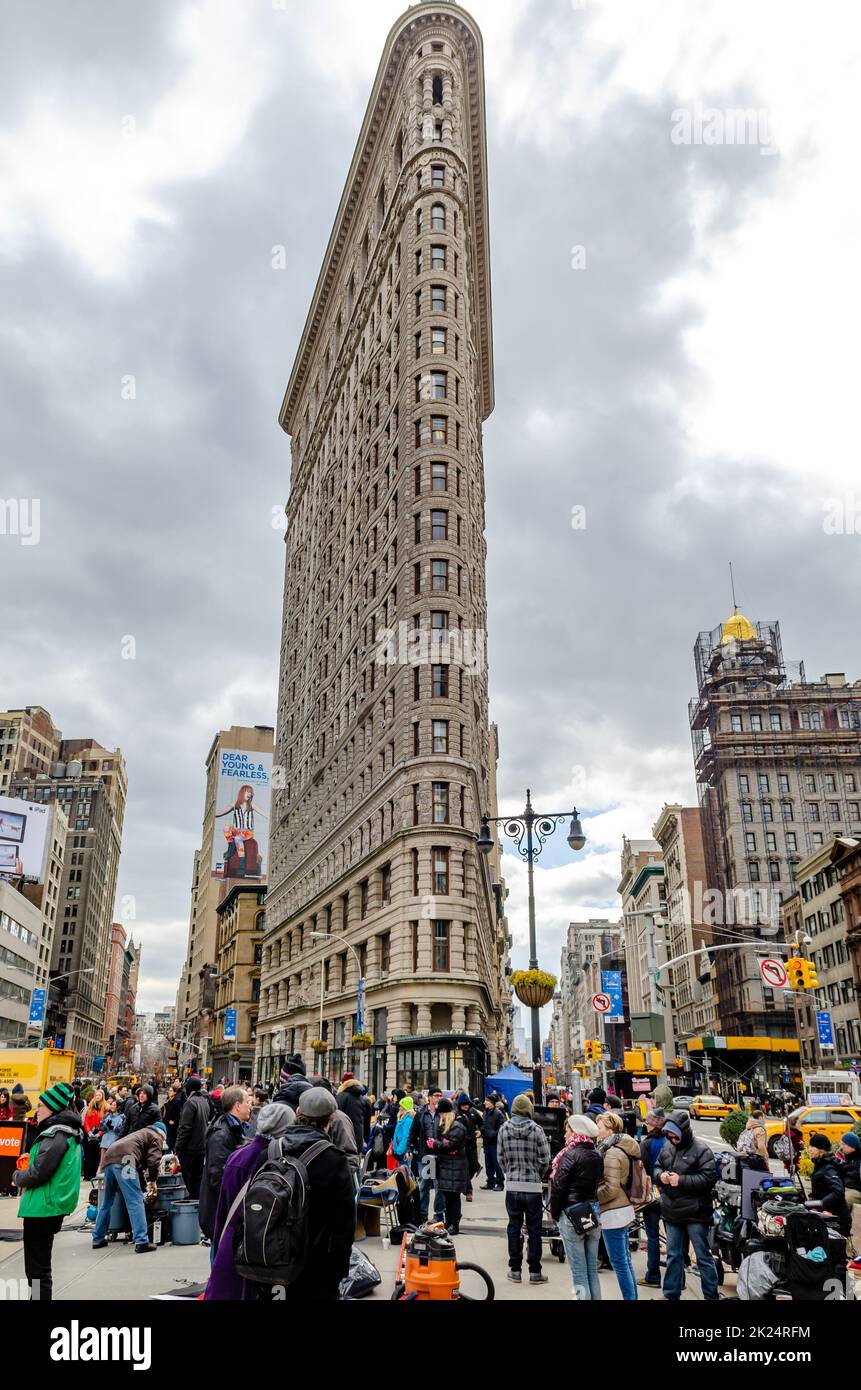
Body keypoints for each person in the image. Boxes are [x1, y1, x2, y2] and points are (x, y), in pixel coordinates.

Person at [269, 1087, 355, 1300]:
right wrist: (339, 1270)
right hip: (317, 1264)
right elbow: (345, 1223)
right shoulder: (334, 1160)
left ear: (298, 1113)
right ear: (329, 1122)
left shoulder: (271, 1151)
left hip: (271, 1258)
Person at [205, 1101, 296, 1300]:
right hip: (264, 1251)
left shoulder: (237, 1157)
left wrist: (220, 1243)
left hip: (233, 1246)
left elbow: (224, 1208)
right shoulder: (282, 1163)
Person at [12, 1082, 84, 1299]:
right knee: (38, 1268)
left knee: (37, 1270)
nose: (37, 1109)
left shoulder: (56, 1134)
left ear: (53, 1108)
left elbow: (39, 1172)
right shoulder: (67, 1132)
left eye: (41, 1105)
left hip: (43, 1208)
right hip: (47, 1206)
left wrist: (17, 1176)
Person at [656, 1110, 719, 1302]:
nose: (673, 1140)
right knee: (673, 1255)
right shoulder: (667, 1147)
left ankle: (711, 1296)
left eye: (675, 1136)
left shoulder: (701, 1150)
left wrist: (681, 1180)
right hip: (672, 1210)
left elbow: (709, 1178)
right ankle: (670, 1295)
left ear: (684, 1131)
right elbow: (657, 1166)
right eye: (670, 1136)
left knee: (703, 1257)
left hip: (696, 1213)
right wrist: (661, 1176)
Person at [497, 1093, 551, 1285]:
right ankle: (535, 1271)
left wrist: (509, 1172)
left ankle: (515, 1269)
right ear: (529, 1109)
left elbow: (500, 1157)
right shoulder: (537, 1130)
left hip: (513, 1186)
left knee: (514, 1227)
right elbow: (545, 1158)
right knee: (534, 1229)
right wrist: (537, 1173)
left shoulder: (503, 1129)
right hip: (533, 1187)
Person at [549, 1113, 603, 1300]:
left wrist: (555, 1214)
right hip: (592, 1212)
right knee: (591, 1271)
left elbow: (557, 1187)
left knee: (579, 1273)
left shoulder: (570, 1155)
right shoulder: (596, 1154)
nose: (564, 1135)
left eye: (567, 1131)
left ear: (574, 1132)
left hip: (572, 1213)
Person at [91, 1122, 167, 1253]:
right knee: (135, 1200)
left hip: (109, 1157)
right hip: (126, 1159)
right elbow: (153, 1162)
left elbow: (139, 1167)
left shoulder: (141, 1133)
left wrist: (144, 1181)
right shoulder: (156, 1137)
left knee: (107, 1201)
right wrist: (153, 1181)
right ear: (163, 1135)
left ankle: (97, 1238)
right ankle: (142, 1241)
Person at [595, 1110, 640, 1301]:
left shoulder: (611, 1152)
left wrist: (593, 1196)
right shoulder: (622, 1146)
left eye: (599, 1128)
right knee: (625, 1260)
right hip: (623, 1208)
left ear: (610, 1130)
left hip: (613, 1211)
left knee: (619, 1262)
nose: (596, 1132)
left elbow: (611, 1188)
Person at [199, 1084, 251, 1241]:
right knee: (220, 1255)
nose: (251, 1104)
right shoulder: (221, 1135)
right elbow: (219, 1176)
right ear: (237, 1106)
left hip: (226, 1210)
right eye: (247, 1101)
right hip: (219, 1212)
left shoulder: (237, 1128)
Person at [429, 1097, 470, 1237]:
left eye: (441, 1114)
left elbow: (452, 1145)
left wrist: (436, 1144)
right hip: (447, 1165)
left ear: (446, 1113)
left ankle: (454, 1224)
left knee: (453, 1197)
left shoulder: (457, 1126)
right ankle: (449, 1222)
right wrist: (439, 1144)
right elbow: (448, 1145)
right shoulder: (448, 1125)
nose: (440, 1116)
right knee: (447, 1196)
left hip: (455, 1166)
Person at [638, 1108, 668, 1289]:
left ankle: (653, 1275)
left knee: (652, 1236)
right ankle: (677, 1279)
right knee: (673, 1237)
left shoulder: (647, 1144)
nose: (645, 1124)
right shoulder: (669, 1141)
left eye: (647, 1122)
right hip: (669, 1194)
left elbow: (641, 1169)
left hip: (651, 1195)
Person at [174, 1075, 212, 1200]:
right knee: (198, 1179)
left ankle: (193, 1203)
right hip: (201, 1147)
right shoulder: (204, 1101)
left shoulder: (190, 1103)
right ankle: (198, 1203)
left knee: (191, 1182)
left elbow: (185, 1128)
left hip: (189, 1149)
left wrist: (178, 1147)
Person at [807, 1132, 851, 1237]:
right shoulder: (821, 1164)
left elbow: (838, 1192)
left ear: (821, 1149)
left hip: (836, 1220)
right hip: (826, 1215)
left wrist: (820, 1204)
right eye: (810, 1146)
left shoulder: (829, 1167)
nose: (809, 1149)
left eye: (813, 1146)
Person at [411, 1086, 443, 1220]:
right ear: (429, 1097)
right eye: (436, 1095)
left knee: (439, 1187)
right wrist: (409, 1148)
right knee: (424, 1185)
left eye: (440, 1096)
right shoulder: (421, 1114)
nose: (438, 1098)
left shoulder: (444, 1113)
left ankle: (438, 1215)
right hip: (425, 1155)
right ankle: (423, 1214)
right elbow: (413, 1132)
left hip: (440, 1154)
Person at [836, 1131, 861, 1255]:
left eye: (844, 1144)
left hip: (856, 1190)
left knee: (843, 1201)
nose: (841, 1147)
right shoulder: (845, 1157)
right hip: (845, 1187)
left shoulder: (858, 1159)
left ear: (852, 1146)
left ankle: (843, 1236)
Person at [455, 1091, 482, 1200]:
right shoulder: (455, 1114)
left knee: (474, 1166)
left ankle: (464, 1183)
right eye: (463, 1104)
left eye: (467, 1104)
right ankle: (468, 1191)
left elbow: (482, 1123)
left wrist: (481, 1131)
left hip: (472, 1145)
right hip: (461, 1146)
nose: (465, 1106)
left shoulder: (474, 1112)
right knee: (465, 1168)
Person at [337, 1073, 371, 1154]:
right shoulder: (363, 1099)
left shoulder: (341, 1097)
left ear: (343, 1083)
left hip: (343, 1141)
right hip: (358, 1141)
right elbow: (367, 1123)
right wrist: (365, 1139)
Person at [480, 1094, 506, 1191]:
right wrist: (482, 1131)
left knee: (496, 1163)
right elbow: (483, 1124)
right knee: (488, 1163)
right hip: (486, 1142)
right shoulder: (485, 1112)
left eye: (486, 1100)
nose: (484, 1102)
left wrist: (493, 1134)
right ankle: (490, 1181)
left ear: (491, 1102)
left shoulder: (498, 1113)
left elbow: (502, 1126)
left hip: (495, 1143)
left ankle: (500, 1183)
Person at [82, 1090, 106, 1182]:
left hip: (99, 1134)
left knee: (97, 1156)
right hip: (89, 1134)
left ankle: (94, 1174)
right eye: (96, 1095)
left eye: (99, 1095)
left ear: (102, 1096)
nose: (97, 1096)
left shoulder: (105, 1108)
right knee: (88, 1156)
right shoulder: (90, 1107)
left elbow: (105, 1123)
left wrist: (99, 1133)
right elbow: (86, 1121)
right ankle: (87, 1174)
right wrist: (88, 1132)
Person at [98, 1095, 126, 1166]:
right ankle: (99, 1174)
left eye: (114, 1105)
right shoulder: (107, 1115)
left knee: (112, 1161)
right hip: (105, 1140)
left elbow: (122, 1129)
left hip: (114, 1140)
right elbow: (101, 1127)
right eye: (111, 1105)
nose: (112, 1106)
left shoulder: (122, 1117)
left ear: (117, 1107)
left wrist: (113, 1127)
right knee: (102, 1160)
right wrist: (105, 1125)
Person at [391, 1095, 415, 1165]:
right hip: (400, 1150)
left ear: (405, 1108)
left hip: (403, 1152)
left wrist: (399, 1151)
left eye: (401, 1106)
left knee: (404, 1172)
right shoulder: (404, 1117)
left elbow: (406, 1136)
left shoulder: (408, 1119)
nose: (399, 1108)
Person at [161, 1082, 185, 1151]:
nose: (169, 1092)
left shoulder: (177, 1101)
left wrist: (174, 1121)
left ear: (175, 1092)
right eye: (169, 1090)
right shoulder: (168, 1100)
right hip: (166, 1124)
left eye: (171, 1091)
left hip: (172, 1127)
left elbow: (179, 1114)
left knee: (169, 1144)